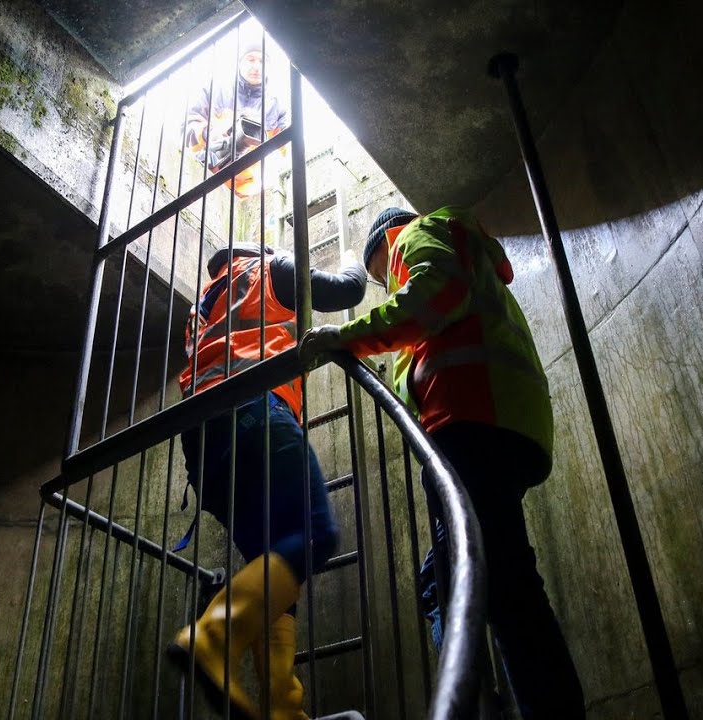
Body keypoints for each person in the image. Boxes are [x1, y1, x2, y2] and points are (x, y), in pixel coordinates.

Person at [299, 206, 587, 719]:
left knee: (503, 584)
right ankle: (484, 703)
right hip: (488, 419)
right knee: (451, 582)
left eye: (382, 276)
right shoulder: (464, 261)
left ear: (383, 245)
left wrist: (347, 337)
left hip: (472, 418)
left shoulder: (418, 234)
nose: (388, 285)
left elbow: (434, 294)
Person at [167, 242, 367, 720]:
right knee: (315, 531)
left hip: (203, 445)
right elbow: (346, 289)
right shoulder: (264, 271)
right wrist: (354, 257)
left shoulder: (202, 307)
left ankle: (283, 710)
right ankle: (214, 635)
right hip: (254, 409)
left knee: (274, 570)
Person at [184, 36, 289, 200]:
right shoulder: (214, 91)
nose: (256, 66)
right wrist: (209, 134)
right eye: (251, 59)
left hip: (244, 192)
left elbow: (285, 156)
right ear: (240, 62)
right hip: (203, 175)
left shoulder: (277, 109)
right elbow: (187, 128)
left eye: (262, 61)